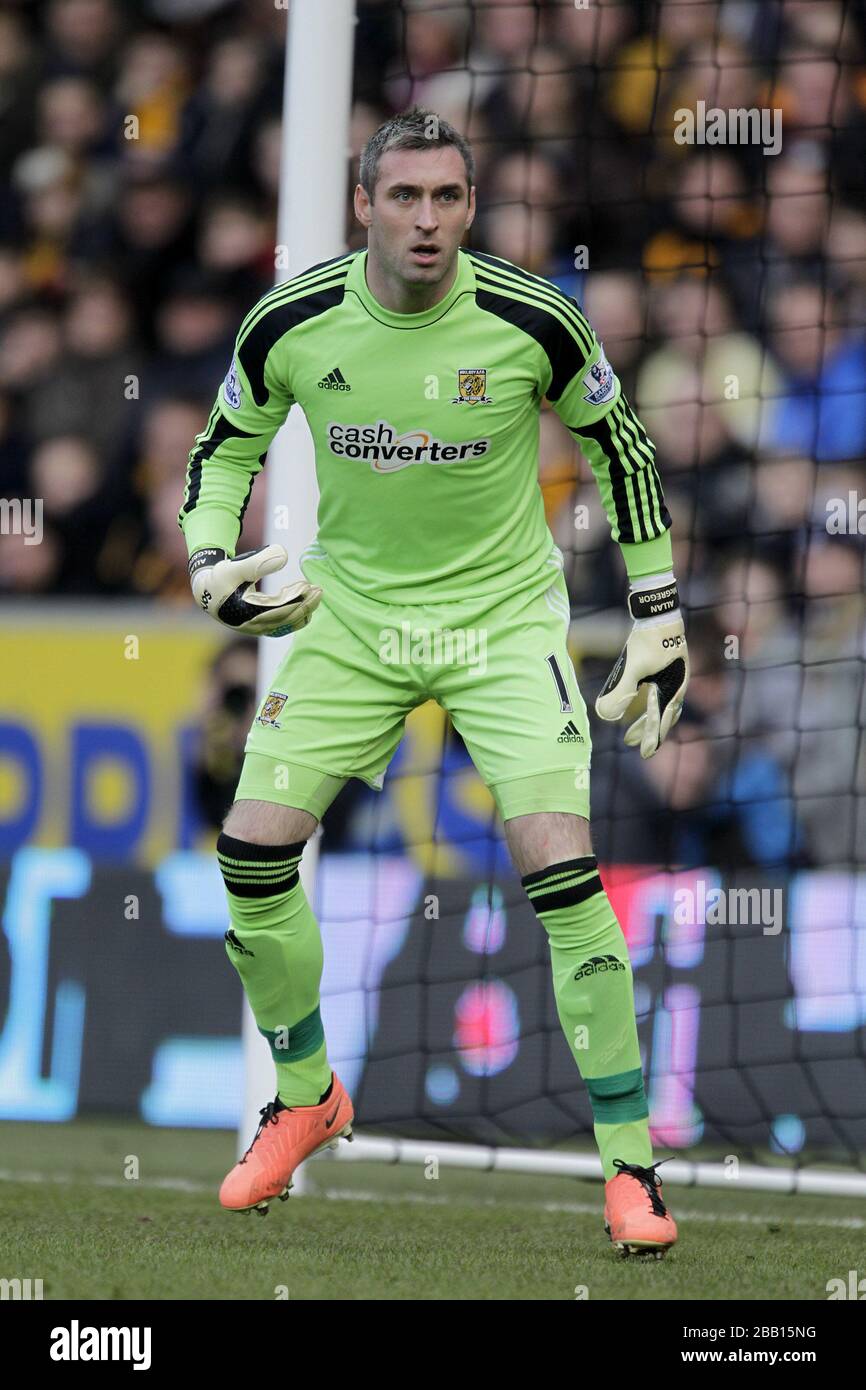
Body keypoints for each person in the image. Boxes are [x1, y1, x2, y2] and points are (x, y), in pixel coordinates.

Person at [177, 108, 689, 1256]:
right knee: (250, 852)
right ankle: (306, 1092)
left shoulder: (530, 317)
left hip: (504, 624)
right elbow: (224, 450)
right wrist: (208, 562)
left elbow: (622, 446)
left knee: (562, 874)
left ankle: (629, 1171)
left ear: (469, 206)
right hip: (351, 617)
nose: (425, 220)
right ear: (363, 204)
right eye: (402, 197)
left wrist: (655, 603)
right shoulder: (293, 320)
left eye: (446, 198)